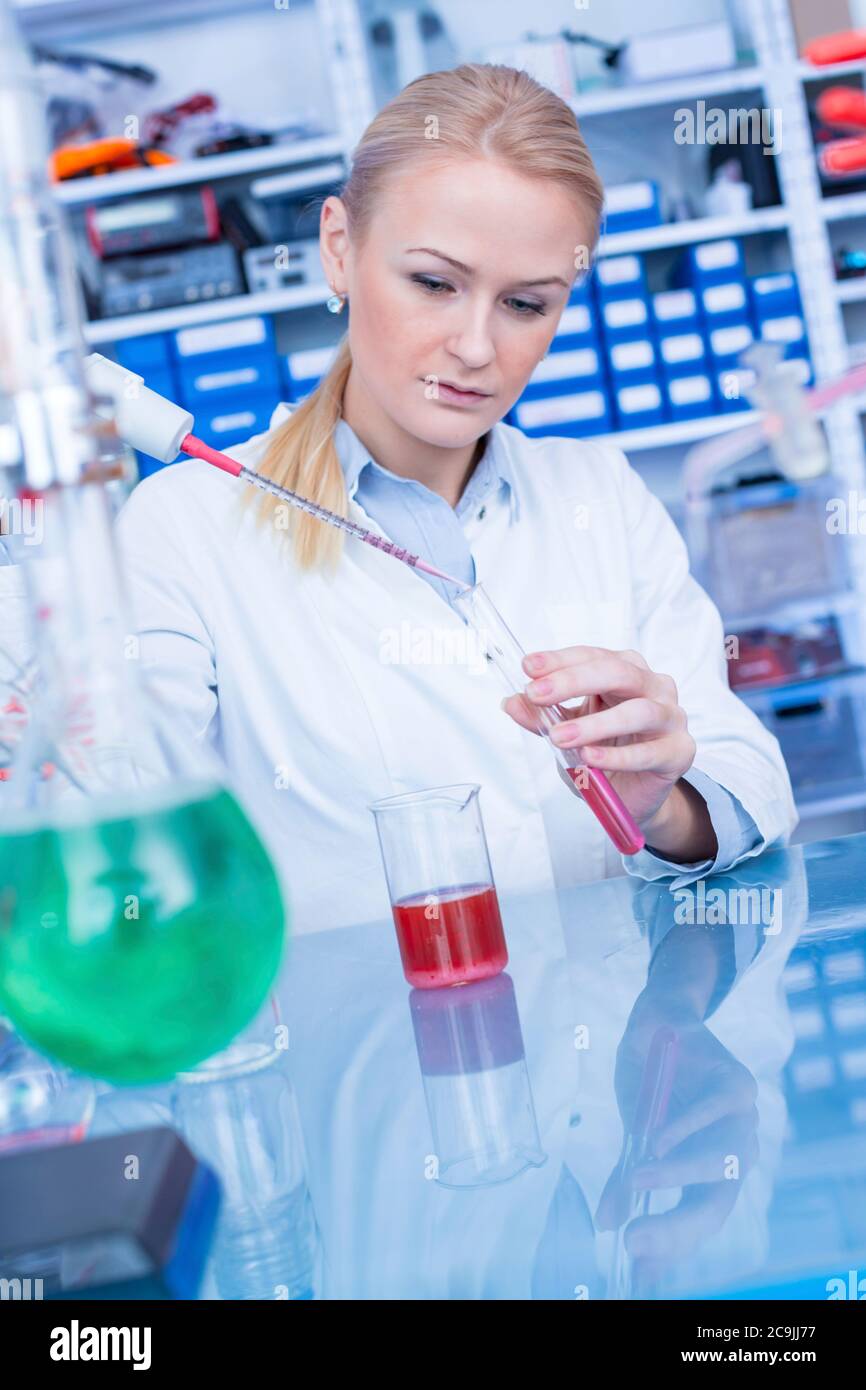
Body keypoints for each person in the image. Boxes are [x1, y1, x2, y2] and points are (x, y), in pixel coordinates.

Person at [113, 63, 797, 933]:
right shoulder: (185, 527)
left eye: (525, 303)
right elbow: (119, 825)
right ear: (339, 247)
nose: (477, 347)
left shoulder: (600, 495)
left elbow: (751, 777)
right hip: (351, 1061)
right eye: (434, 283)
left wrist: (662, 808)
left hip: (606, 1053)